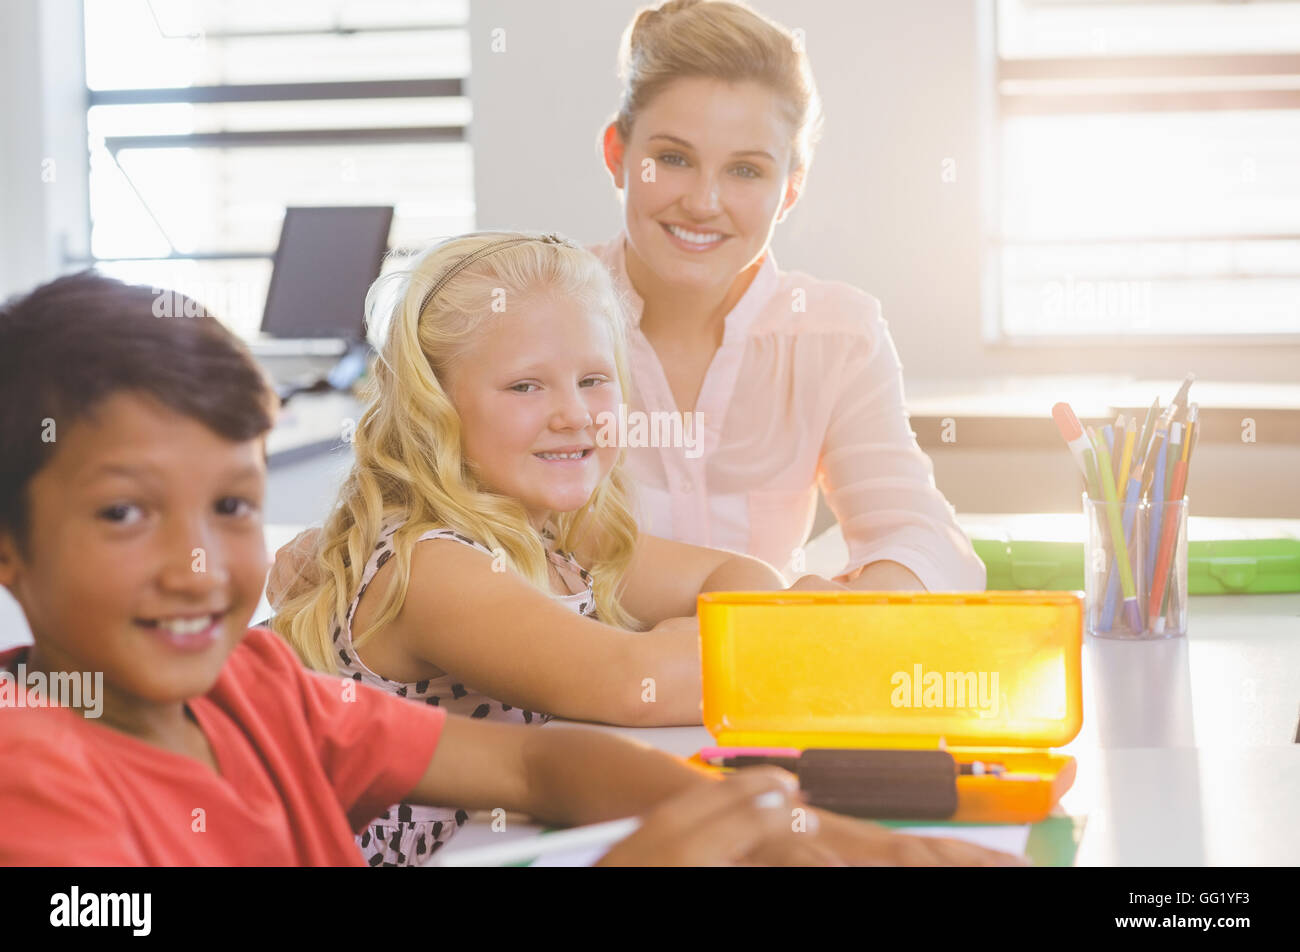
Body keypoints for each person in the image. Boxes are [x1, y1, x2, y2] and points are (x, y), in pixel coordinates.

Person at [0, 272, 1024, 868]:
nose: (194, 566)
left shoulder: (256, 691)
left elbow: (535, 763)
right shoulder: (29, 780)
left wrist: (800, 828)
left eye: (229, 505)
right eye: (125, 511)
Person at [591, 0, 984, 589]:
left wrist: (855, 609)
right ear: (619, 156)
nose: (703, 202)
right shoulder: (535, 317)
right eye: (673, 158)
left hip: (763, 675)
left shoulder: (837, 333)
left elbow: (925, 540)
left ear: (791, 188)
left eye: (745, 170)